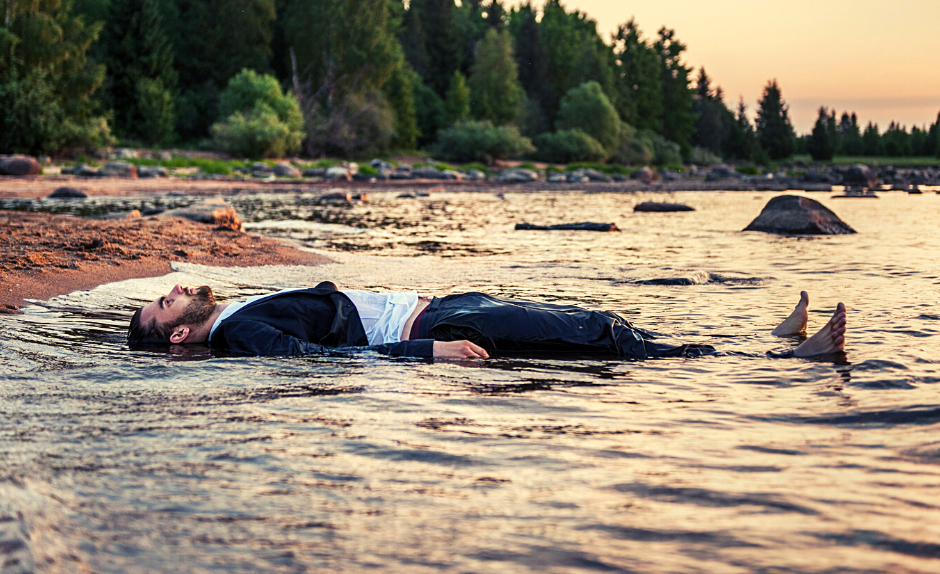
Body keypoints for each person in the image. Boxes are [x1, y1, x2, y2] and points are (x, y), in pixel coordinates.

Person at [128, 282, 847, 360]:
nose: (177, 290)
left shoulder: (235, 312)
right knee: (591, 338)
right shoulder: (242, 335)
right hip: (433, 331)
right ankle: (781, 363)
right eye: (166, 306)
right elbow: (327, 361)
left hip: (439, 306)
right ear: (182, 333)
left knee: (590, 322)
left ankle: (761, 344)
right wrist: (427, 356)